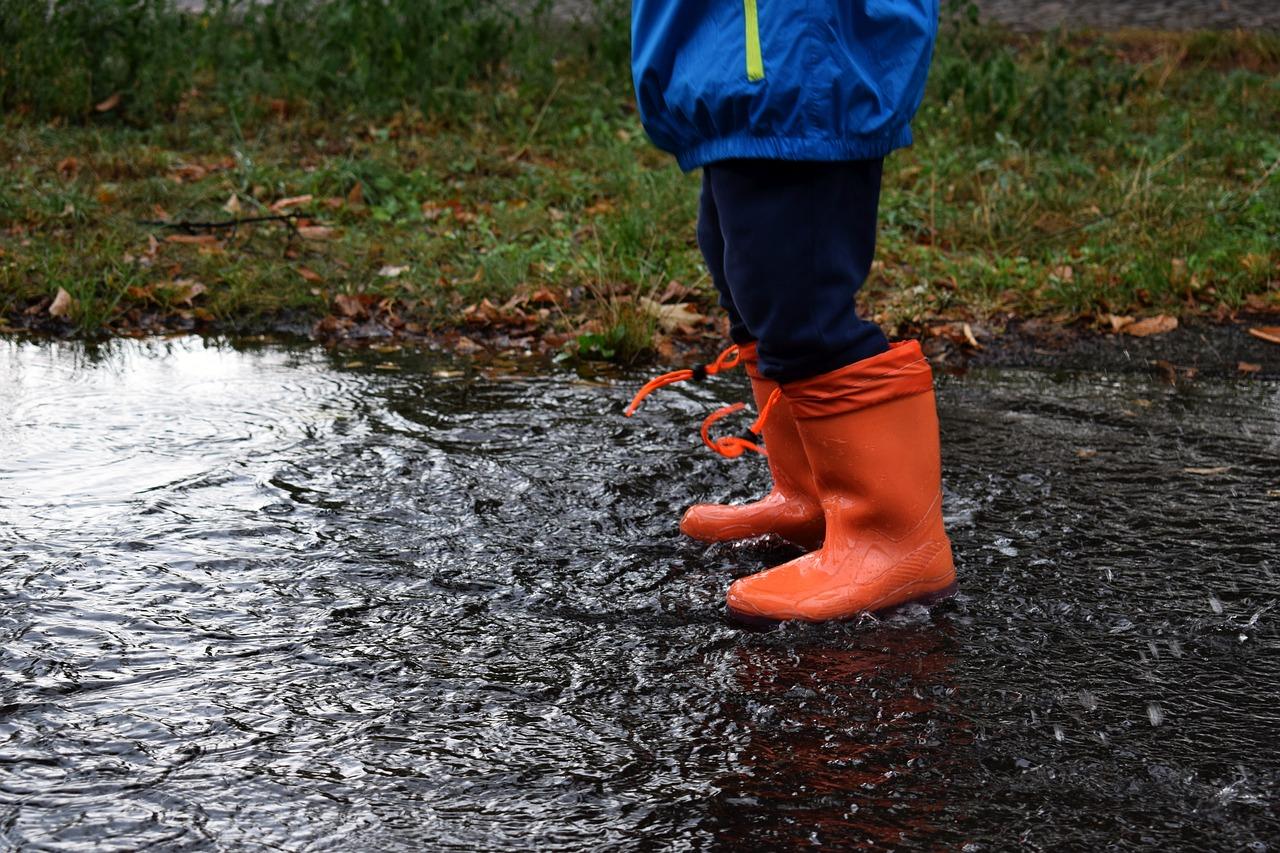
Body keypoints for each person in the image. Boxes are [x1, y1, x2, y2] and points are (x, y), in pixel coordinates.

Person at [628, 0, 957, 624]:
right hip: (734, 67)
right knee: (746, 278)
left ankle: (893, 540)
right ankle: (812, 495)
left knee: (797, 301)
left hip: (795, 65)